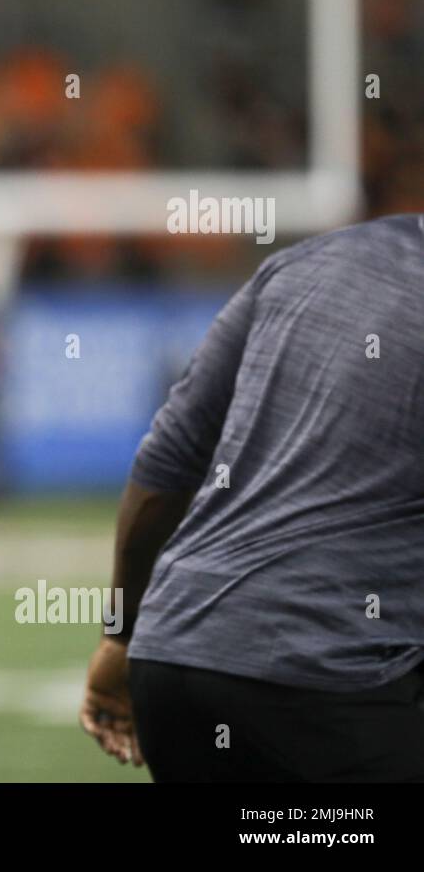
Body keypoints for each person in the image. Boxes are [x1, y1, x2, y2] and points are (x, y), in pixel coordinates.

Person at [80, 214, 424, 782]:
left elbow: (160, 472)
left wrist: (121, 635)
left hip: (175, 662)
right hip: (329, 681)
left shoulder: (302, 265)